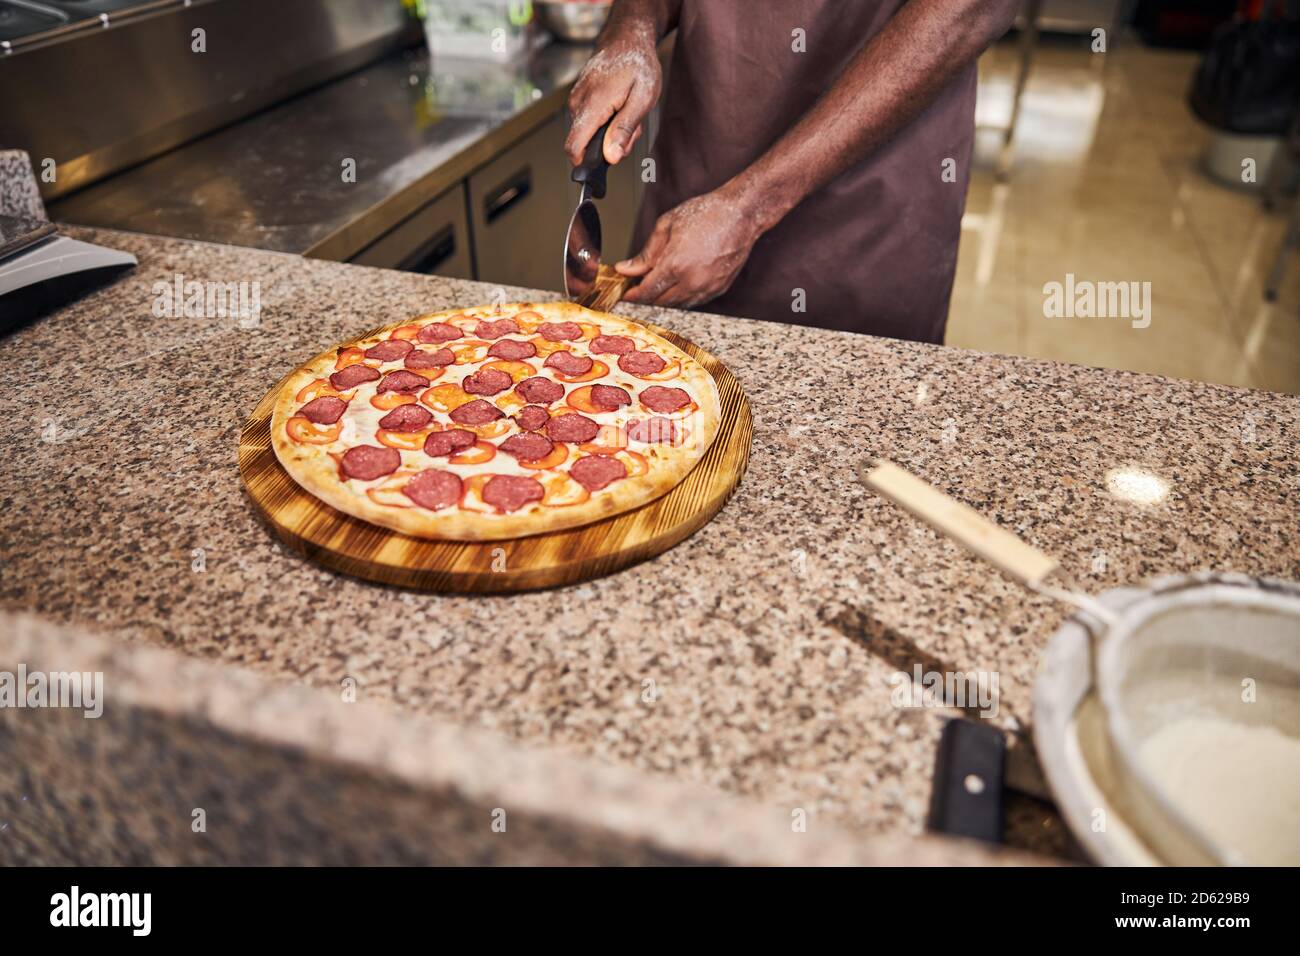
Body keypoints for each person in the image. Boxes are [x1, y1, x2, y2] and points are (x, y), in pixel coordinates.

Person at [564, 0, 1020, 343]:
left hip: (868, 201)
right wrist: (632, 29)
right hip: (704, 148)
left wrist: (750, 207)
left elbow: (968, 9)